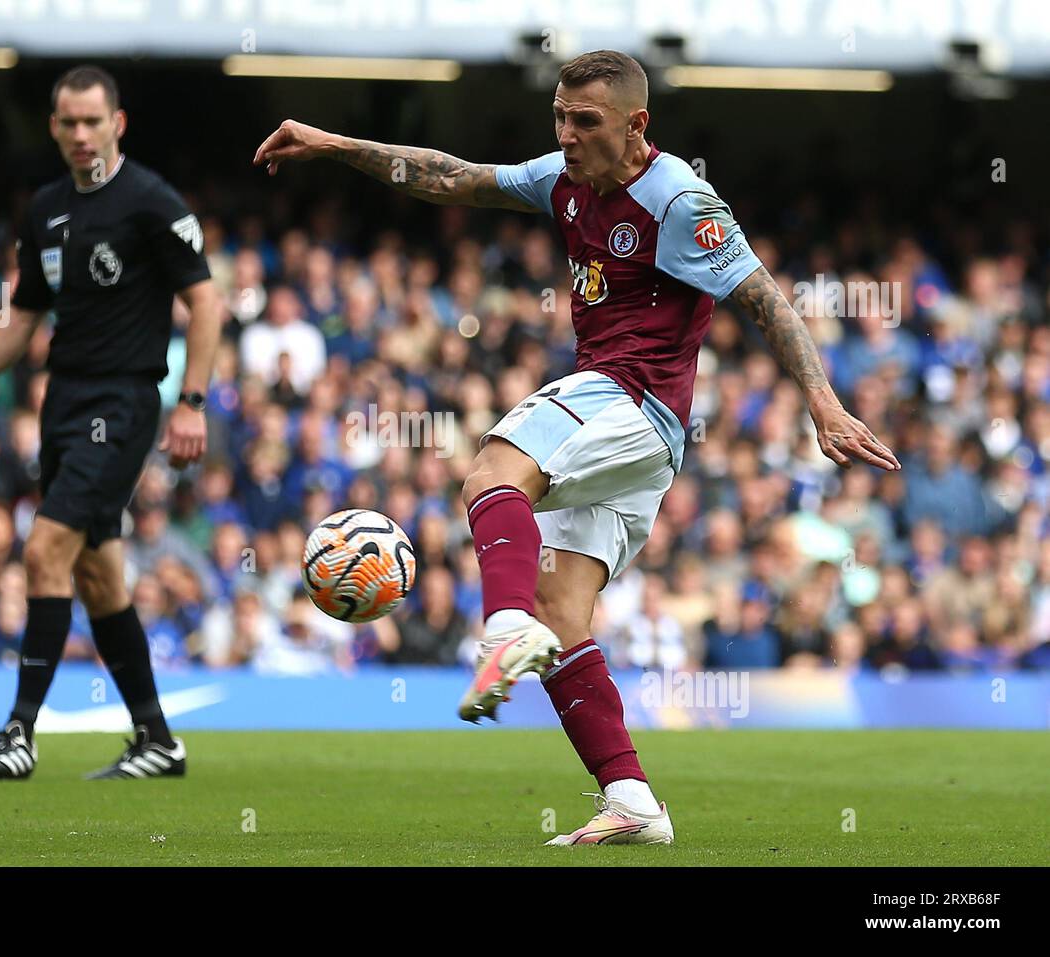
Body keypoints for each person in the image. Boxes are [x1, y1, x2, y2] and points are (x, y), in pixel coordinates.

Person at [254, 49, 900, 845]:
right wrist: (336, 145)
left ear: (637, 127)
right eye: (560, 117)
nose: (566, 134)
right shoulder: (562, 181)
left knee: (492, 470)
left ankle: (500, 626)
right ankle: (632, 798)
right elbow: (452, 176)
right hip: (632, 432)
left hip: (632, 397)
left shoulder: (680, 200)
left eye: (585, 122)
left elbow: (763, 297)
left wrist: (822, 401)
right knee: (564, 611)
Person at [0, 65, 223, 780]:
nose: (81, 134)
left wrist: (193, 403)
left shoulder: (152, 201)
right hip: (63, 405)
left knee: (44, 549)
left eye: (93, 121)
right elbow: (22, 315)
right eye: (68, 123)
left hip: (121, 406)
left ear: (117, 124)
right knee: (98, 577)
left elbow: (206, 304)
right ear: (54, 127)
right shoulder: (46, 209)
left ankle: (20, 733)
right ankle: (158, 739)